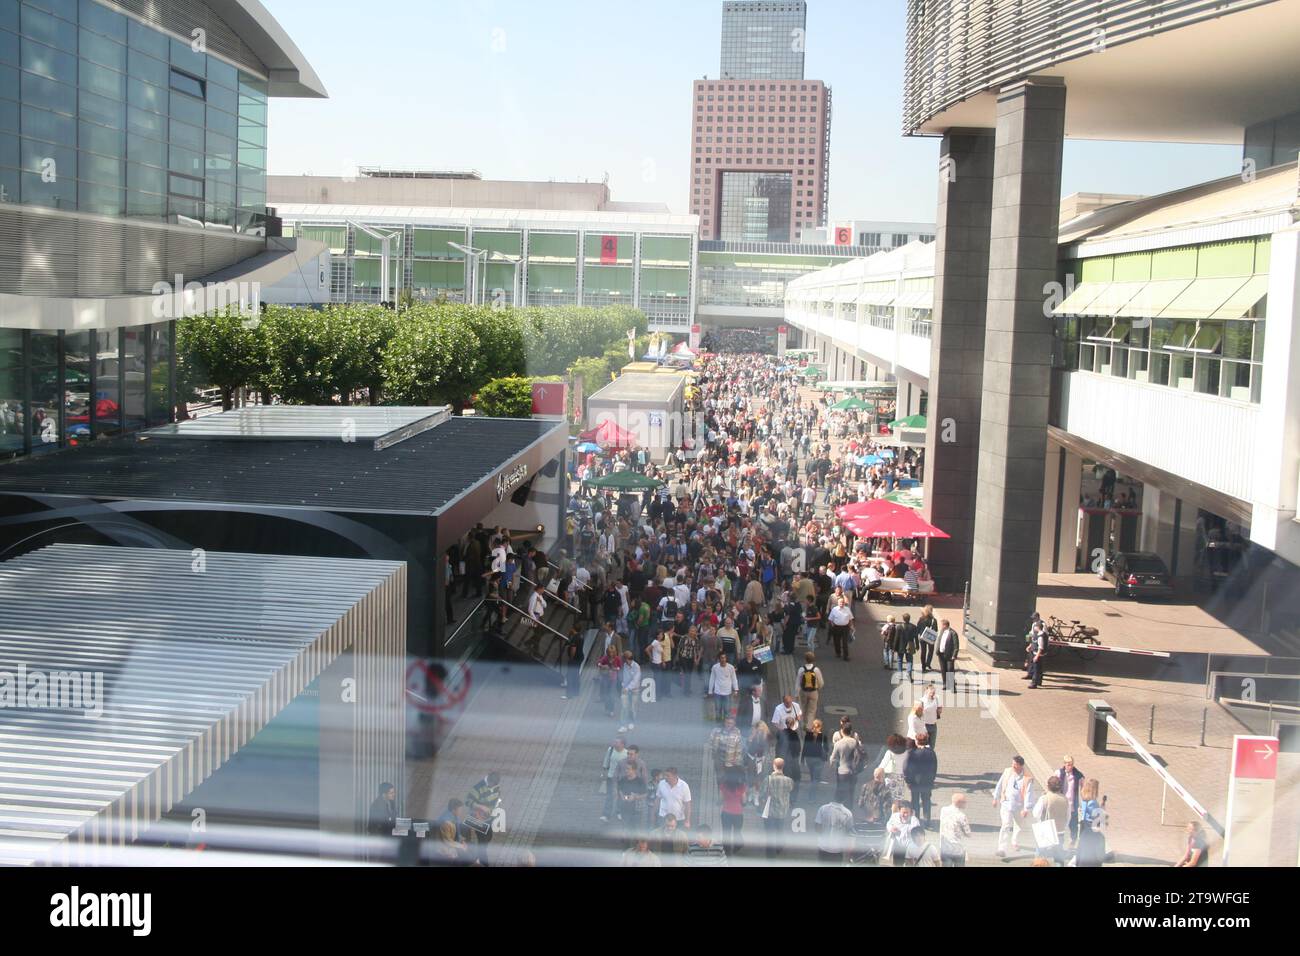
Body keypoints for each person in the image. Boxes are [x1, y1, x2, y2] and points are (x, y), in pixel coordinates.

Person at [992, 756, 1034, 858]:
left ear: (1020, 765)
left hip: (1019, 805)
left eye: (1015, 764)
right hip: (1006, 803)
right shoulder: (1007, 771)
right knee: (1005, 825)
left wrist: (1026, 808)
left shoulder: (1027, 778)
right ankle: (1001, 848)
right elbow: (1000, 784)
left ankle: (1014, 840)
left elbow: (1029, 793)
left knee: (1019, 825)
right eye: (1013, 763)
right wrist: (995, 797)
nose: (1013, 766)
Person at [1031, 775, 1070, 864]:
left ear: (1048, 786)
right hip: (1060, 832)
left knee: (1040, 856)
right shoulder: (1065, 799)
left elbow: (1035, 814)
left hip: (1045, 831)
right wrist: (1063, 826)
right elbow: (1068, 817)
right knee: (1059, 857)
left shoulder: (1044, 798)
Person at [761, 757, 795, 859]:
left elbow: (762, 793)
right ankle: (779, 847)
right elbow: (791, 789)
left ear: (774, 765)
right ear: (783, 766)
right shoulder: (789, 781)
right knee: (780, 830)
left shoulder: (768, 779)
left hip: (770, 811)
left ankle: (770, 855)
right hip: (782, 811)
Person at [904, 731, 938, 826]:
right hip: (927, 781)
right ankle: (927, 820)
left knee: (915, 800)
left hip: (914, 782)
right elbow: (934, 767)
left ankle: (916, 819)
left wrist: (908, 780)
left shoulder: (912, 753)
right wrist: (932, 779)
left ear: (917, 741)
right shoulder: (931, 753)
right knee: (926, 800)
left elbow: (906, 767)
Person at [828, 721, 863, 805]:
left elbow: (832, 759)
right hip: (853, 771)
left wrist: (831, 767)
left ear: (842, 732)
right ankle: (849, 807)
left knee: (841, 790)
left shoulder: (838, 744)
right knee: (851, 791)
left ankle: (839, 807)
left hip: (842, 771)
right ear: (851, 732)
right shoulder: (855, 742)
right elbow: (860, 754)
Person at [815, 797, 855, 865]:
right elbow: (849, 833)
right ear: (844, 799)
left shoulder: (823, 808)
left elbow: (817, 828)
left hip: (823, 847)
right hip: (837, 850)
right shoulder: (848, 813)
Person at [1056, 755, 1085, 846]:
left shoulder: (1078, 776)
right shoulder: (1058, 773)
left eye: (1071, 764)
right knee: (1060, 823)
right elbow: (1052, 784)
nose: (1070, 766)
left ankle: (1073, 840)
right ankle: (1059, 841)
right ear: (1064, 764)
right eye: (1068, 764)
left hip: (1072, 803)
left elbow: (1083, 789)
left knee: (1073, 824)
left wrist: (1084, 802)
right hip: (1061, 803)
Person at [717, 767, 747, 854]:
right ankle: (738, 845)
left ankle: (727, 850)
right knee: (737, 831)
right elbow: (744, 801)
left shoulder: (723, 786)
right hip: (738, 814)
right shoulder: (742, 787)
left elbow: (721, 798)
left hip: (726, 813)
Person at [600, 736, 629, 823]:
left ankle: (619, 811)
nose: (614, 744)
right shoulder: (611, 749)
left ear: (622, 744)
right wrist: (604, 770)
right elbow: (606, 759)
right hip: (611, 777)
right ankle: (606, 815)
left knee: (621, 796)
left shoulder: (627, 753)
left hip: (622, 779)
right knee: (610, 796)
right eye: (614, 742)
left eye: (617, 742)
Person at [938, 793, 971, 866]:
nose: (966, 804)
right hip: (958, 849)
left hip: (945, 847)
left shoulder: (943, 810)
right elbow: (968, 833)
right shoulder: (962, 816)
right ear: (958, 803)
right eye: (964, 802)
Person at [796, 651, 824, 730]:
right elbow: (821, 682)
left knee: (803, 707)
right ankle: (809, 726)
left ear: (805, 659)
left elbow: (798, 682)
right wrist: (817, 688)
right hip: (813, 692)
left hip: (803, 691)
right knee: (812, 709)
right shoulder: (816, 670)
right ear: (813, 659)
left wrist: (797, 693)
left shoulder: (801, 669)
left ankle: (804, 724)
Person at [802, 719, 828, 802]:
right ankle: (812, 797)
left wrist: (802, 759)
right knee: (815, 778)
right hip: (819, 759)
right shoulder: (824, 736)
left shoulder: (808, 735)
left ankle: (813, 786)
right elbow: (827, 748)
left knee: (812, 775)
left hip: (809, 759)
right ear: (820, 727)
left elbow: (805, 747)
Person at [708, 652, 739, 722]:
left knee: (726, 710)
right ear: (719, 659)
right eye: (722, 658)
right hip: (717, 692)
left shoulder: (731, 667)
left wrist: (736, 690)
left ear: (726, 658)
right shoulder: (715, 667)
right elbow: (712, 679)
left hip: (727, 693)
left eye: (724, 658)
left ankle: (725, 726)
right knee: (718, 709)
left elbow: (734, 679)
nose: (723, 659)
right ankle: (718, 725)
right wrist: (710, 691)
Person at [618, 649, 641, 733]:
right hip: (625, 690)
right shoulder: (624, 666)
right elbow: (623, 677)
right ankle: (623, 725)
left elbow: (635, 680)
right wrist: (623, 685)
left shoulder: (636, 667)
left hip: (634, 690)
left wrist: (627, 688)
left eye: (629, 659)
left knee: (633, 707)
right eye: (627, 659)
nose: (628, 661)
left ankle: (632, 722)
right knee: (624, 707)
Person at [936, 618, 960, 691]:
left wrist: (954, 655)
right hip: (941, 654)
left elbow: (956, 645)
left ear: (945, 625)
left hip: (949, 655)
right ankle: (945, 684)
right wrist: (937, 650)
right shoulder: (942, 631)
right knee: (943, 669)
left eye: (942, 625)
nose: (941, 626)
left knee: (950, 669)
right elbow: (939, 641)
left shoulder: (953, 633)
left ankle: (952, 686)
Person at [827, 595, 854, 661]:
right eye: (840, 602)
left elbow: (850, 619)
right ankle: (838, 653)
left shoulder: (847, 609)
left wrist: (851, 626)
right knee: (836, 641)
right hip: (836, 627)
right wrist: (833, 625)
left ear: (844, 603)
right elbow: (830, 619)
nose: (841, 604)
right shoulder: (834, 609)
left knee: (845, 642)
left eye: (843, 602)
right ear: (838, 603)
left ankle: (846, 656)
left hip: (845, 628)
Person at [916, 604, 938, 673]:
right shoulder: (934, 620)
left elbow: (918, 628)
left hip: (922, 637)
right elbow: (935, 629)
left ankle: (923, 667)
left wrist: (920, 634)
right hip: (930, 636)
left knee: (923, 652)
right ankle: (928, 663)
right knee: (930, 651)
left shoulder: (921, 619)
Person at [1027, 620, 1048, 689]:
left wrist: (1036, 656)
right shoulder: (1041, 634)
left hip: (1038, 654)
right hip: (1041, 655)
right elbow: (1033, 641)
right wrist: (1030, 646)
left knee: (1036, 669)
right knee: (1040, 669)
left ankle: (1034, 683)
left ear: (1038, 627)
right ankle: (1039, 681)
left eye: (1035, 626)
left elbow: (1040, 647)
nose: (1034, 627)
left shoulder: (1040, 636)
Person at [920, 684, 942, 749]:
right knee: (924, 746)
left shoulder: (937, 698)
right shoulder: (922, 701)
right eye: (931, 693)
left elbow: (940, 709)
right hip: (924, 726)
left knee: (932, 747)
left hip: (933, 725)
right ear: (926, 692)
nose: (932, 694)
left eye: (933, 692)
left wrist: (939, 710)